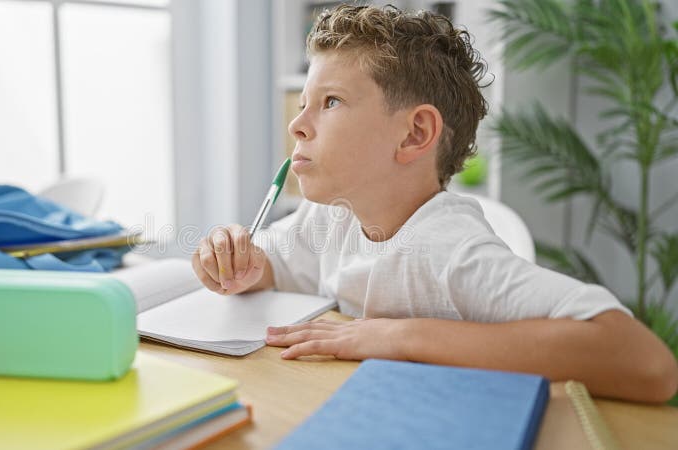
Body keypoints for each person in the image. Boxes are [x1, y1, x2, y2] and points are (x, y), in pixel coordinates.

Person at [191, 4, 677, 403]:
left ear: (415, 134)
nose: (298, 125)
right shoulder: (331, 214)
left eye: (331, 101)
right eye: (303, 104)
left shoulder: (450, 249)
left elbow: (648, 365)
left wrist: (398, 336)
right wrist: (239, 262)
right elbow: (274, 266)